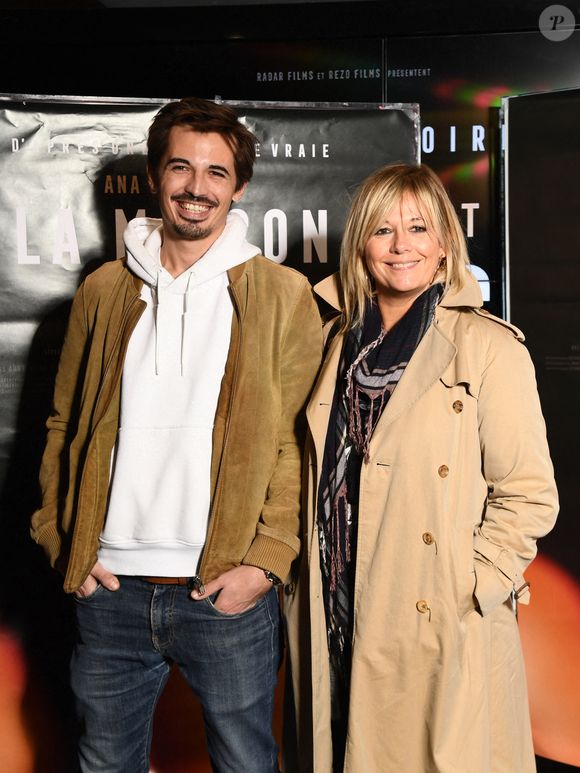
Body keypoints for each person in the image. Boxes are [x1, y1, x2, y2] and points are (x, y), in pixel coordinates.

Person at [30, 96, 322, 773]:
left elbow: (296, 440)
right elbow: (63, 422)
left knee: (247, 763)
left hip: (223, 589)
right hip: (109, 590)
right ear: (156, 176)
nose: (198, 187)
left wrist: (265, 560)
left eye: (217, 173)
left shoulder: (280, 293)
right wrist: (61, 536)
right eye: (182, 167)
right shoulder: (104, 288)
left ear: (239, 186)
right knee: (104, 763)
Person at [284, 163, 559, 772]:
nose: (401, 245)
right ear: (361, 244)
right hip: (335, 601)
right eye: (383, 230)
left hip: (433, 613)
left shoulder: (488, 346)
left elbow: (530, 493)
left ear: (443, 244)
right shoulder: (331, 339)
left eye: (418, 228)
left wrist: (470, 585)